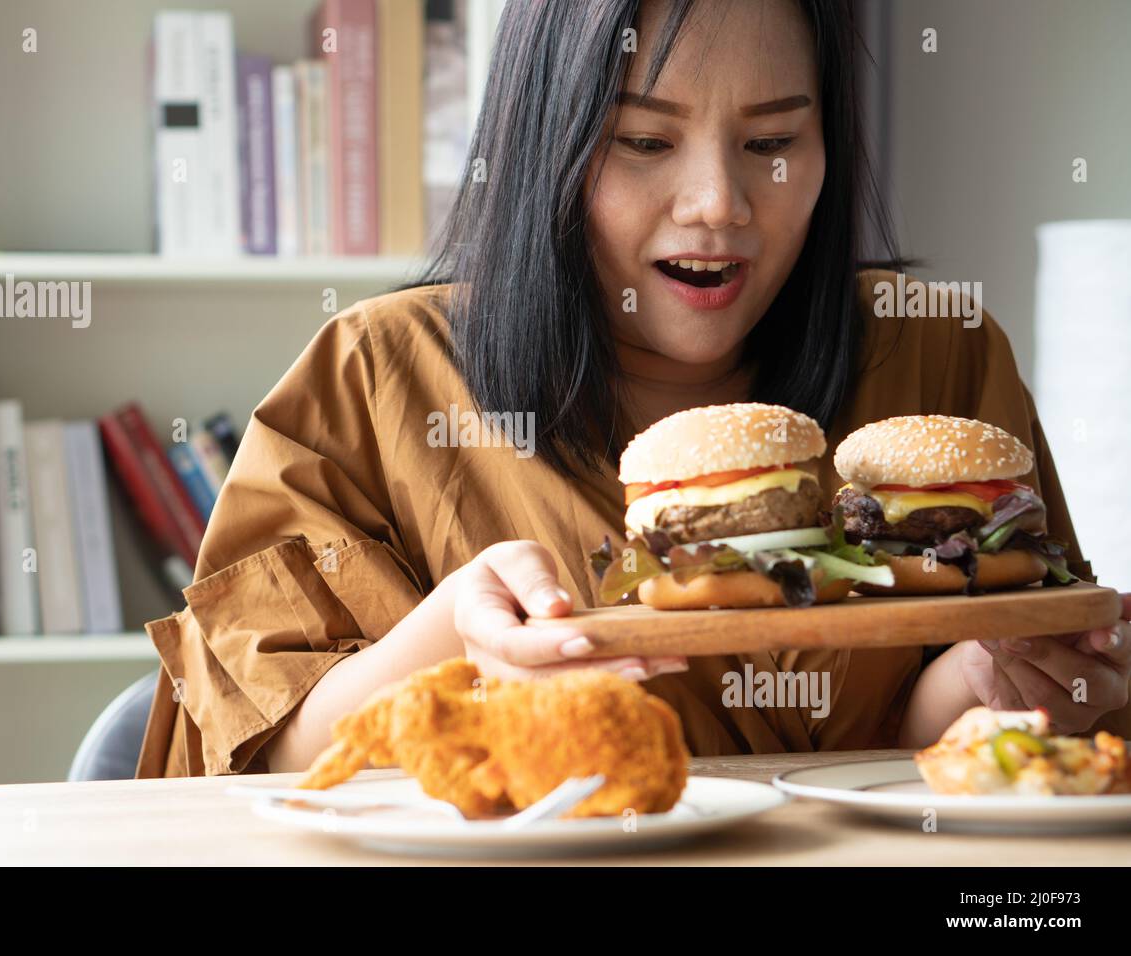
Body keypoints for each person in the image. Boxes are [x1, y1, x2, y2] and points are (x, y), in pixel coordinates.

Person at [136, 0, 1130, 778]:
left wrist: (981, 684)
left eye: (773, 140)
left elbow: (961, 743)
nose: (717, 205)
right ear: (543, 144)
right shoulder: (374, 376)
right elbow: (248, 766)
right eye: (644, 142)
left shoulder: (933, 355)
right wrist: (456, 637)